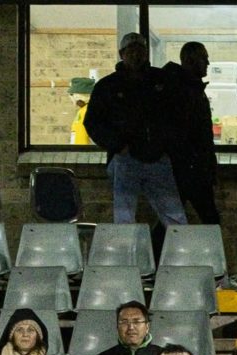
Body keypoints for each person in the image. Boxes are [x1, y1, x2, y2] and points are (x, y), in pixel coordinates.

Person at [85, 32, 188, 229]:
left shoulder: (162, 81)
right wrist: (118, 145)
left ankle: (180, 257)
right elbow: (93, 122)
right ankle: (127, 258)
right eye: (130, 51)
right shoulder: (108, 86)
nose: (135, 55)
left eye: (140, 50)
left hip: (158, 158)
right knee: (124, 218)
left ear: (146, 53)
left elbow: (178, 115)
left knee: (175, 217)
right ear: (121, 54)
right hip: (126, 159)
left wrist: (167, 146)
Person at [160, 42, 220, 226]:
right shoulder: (184, 90)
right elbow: (190, 131)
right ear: (189, 60)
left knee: (172, 220)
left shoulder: (185, 87)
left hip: (188, 165)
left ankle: (153, 253)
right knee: (208, 220)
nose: (208, 63)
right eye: (204, 58)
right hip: (189, 166)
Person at [68, 77, 95, 145]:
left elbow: (81, 137)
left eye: (72, 94)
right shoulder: (85, 110)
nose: (71, 98)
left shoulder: (85, 112)